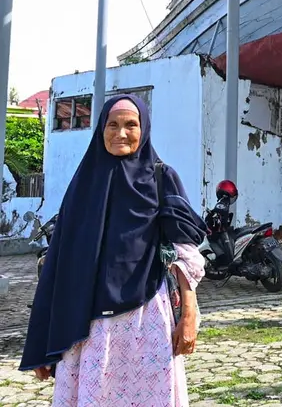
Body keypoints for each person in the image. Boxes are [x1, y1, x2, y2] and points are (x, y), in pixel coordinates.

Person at [20, 93, 207, 406]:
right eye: (113, 125)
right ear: (101, 130)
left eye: (131, 125)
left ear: (143, 128)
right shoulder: (82, 186)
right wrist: (44, 341)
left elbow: (185, 253)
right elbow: (58, 266)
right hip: (86, 324)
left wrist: (188, 315)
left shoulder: (161, 178)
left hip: (145, 321)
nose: (121, 133)